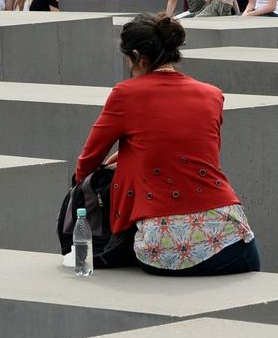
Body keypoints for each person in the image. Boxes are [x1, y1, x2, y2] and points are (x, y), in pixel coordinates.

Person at [75, 14, 261, 276]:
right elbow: (194, 154)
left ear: (137, 56)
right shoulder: (212, 94)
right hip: (232, 240)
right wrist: (134, 154)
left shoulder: (125, 94)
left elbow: (89, 159)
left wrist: (79, 187)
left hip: (163, 250)